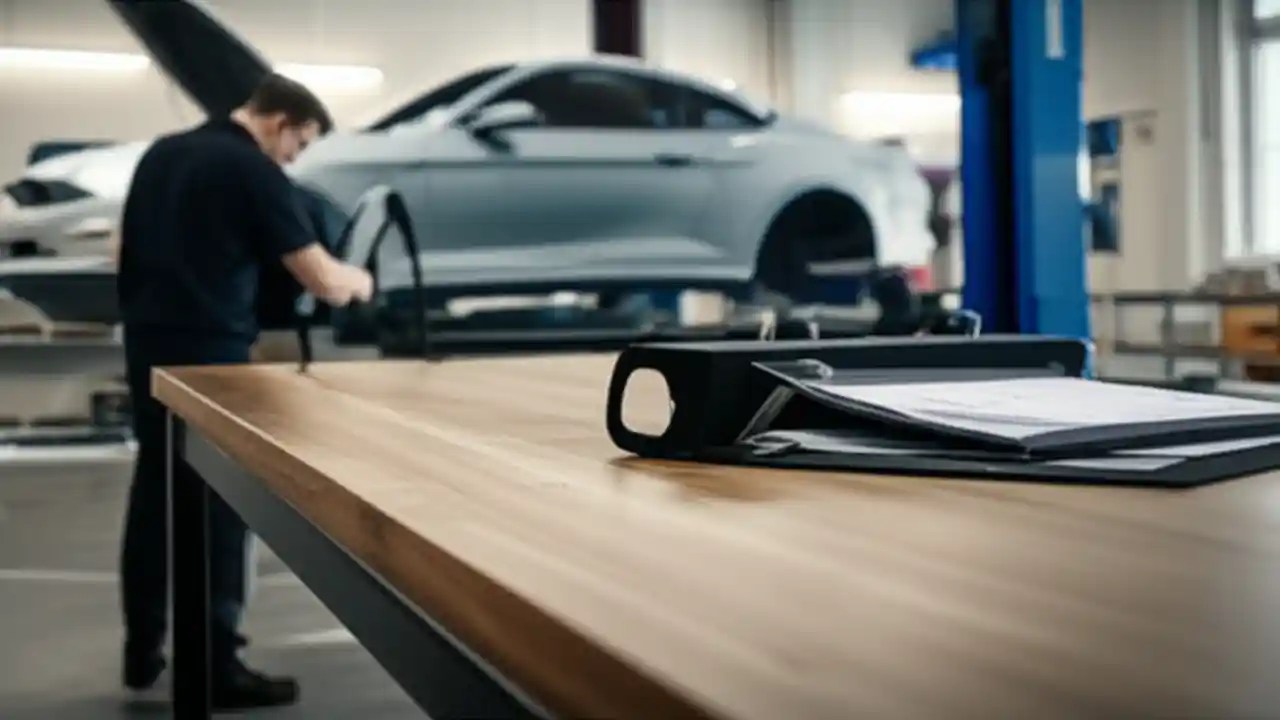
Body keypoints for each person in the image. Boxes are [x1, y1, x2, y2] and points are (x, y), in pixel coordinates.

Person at [116, 73, 374, 710]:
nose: (295, 157)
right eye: (301, 142)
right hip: (212, 355)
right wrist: (363, 280)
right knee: (218, 505)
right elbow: (318, 278)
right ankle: (215, 664)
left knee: (156, 490)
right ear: (281, 122)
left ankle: (143, 646)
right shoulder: (252, 171)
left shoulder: (161, 154)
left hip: (147, 342)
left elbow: (122, 248)